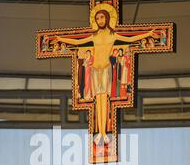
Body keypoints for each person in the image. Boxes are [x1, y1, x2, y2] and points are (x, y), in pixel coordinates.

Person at [56, 8, 157, 145]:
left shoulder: (113, 35)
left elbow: (130, 39)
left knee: (104, 100)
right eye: (97, 18)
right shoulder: (94, 36)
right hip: (94, 69)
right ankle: (101, 132)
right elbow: (78, 42)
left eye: (102, 17)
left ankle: (103, 132)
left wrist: (148, 34)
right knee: (98, 101)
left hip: (105, 69)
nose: (100, 21)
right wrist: (61, 39)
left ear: (107, 18)